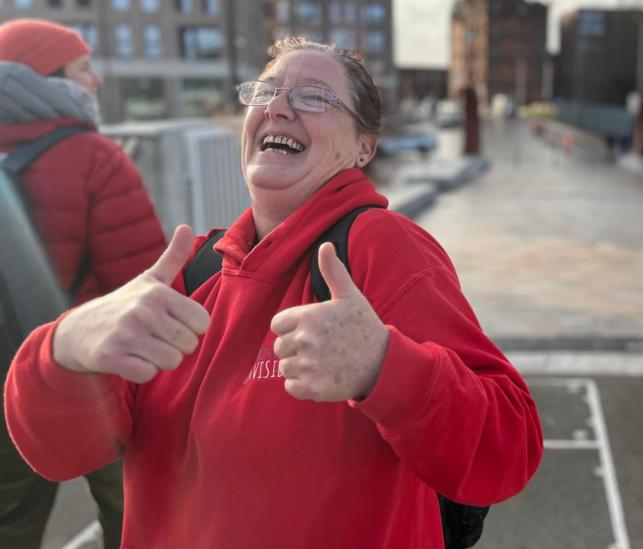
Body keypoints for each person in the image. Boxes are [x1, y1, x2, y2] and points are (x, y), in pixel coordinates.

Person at [5, 36, 543, 548]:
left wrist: (384, 366)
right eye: (265, 91)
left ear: (364, 148)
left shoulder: (380, 247)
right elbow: (60, 454)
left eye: (314, 97)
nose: (279, 108)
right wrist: (64, 349)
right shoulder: (193, 270)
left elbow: (509, 448)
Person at [0, 19, 166, 548]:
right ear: (43, 79)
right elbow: (141, 283)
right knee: (132, 512)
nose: (96, 80)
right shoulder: (95, 157)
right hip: (92, 378)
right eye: (83, 68)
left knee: (11, 521)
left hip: (5, 379)